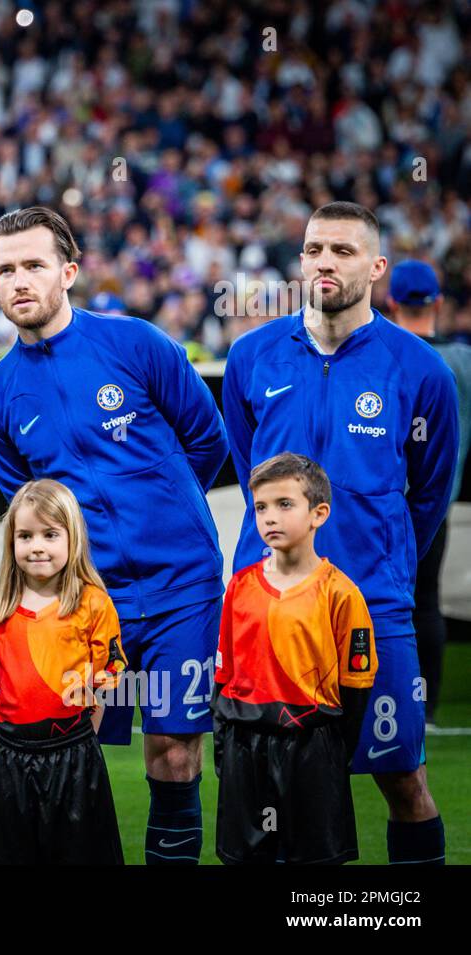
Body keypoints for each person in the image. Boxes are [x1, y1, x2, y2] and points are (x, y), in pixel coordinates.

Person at [0, 206, 229, 865]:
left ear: (69, 270)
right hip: (90, 602)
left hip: (181, 589)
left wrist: (163, 519)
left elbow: (207, 440)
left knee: (174, 749)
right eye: (5, 269)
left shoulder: (137, 344)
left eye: (33, 264)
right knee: (71, 748)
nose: (19, 279)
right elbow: (28, 506)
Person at [223, 201, 457, 865]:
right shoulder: (251, 357)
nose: (326, 261)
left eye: (344, 251)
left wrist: (378, 555)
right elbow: (252, 474)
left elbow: (431, 489)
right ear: (300, 259)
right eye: (315, 249)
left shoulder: (420, 370)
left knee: (403, 776)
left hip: (371, 606)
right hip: (266, 609)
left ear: (377, 266)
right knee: (267, 780)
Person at [212, 453, 375, 864]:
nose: (270, 517)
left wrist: (333, 755)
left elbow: (356, 689)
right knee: (246, 856)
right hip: (244, 746)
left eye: (285, 505)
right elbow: (224, 673)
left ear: (319, 513)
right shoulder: (239, 587)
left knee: (314, 857)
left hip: (311, 747)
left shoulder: (341, 593)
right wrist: (223, 746)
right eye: (261, 507)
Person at [0, 479, 125, 865]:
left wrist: (77, 744)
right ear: (11, 543)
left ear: (72, 538)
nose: (37, 546)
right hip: (9, 761)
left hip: (74, 759)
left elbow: (105, 680)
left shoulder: (93, 604)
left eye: (50, 534)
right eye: (25, 535)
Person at [386, 259, 471, 723]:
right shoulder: (463, 360)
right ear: (438, 302)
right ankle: (427, 708)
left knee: (369, 598)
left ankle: (366, 701)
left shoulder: (386, 355)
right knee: (427, 602)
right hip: (439, 501)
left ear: (391, 302)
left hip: (381, 501)